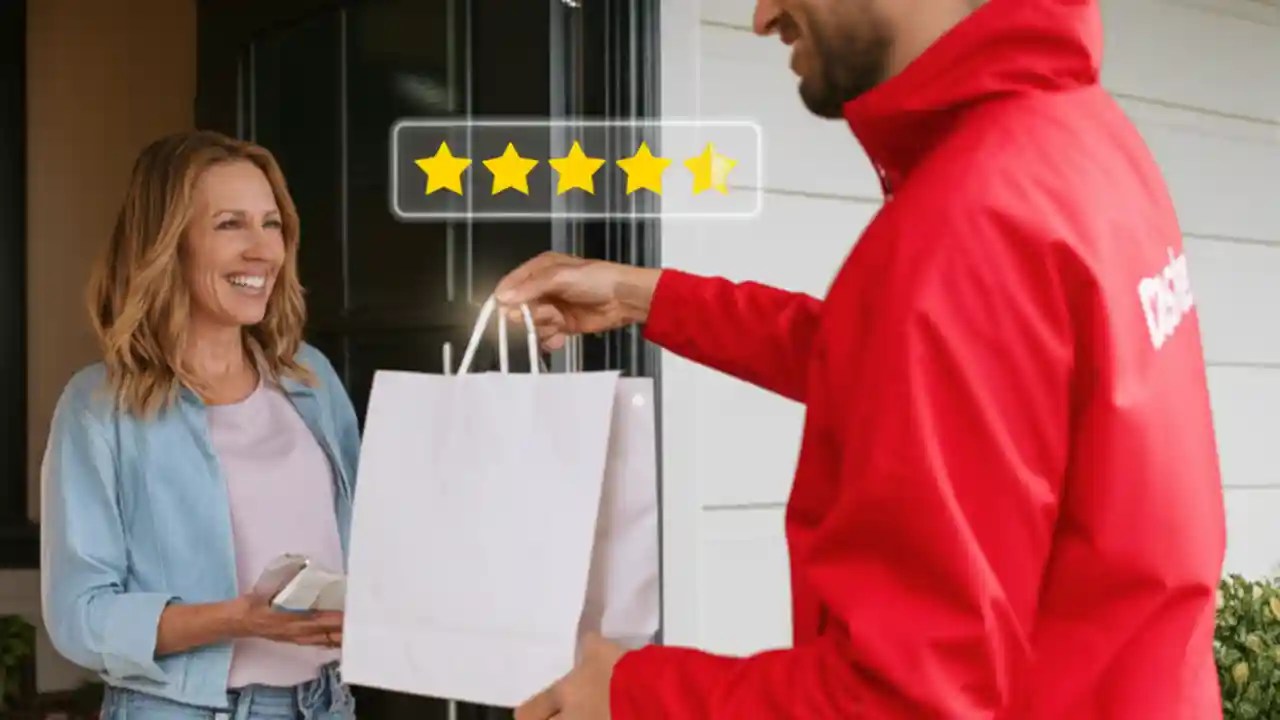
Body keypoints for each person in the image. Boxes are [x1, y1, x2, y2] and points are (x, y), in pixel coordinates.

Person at [501, 0, 1227, 718]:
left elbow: (904, 701)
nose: (763, 17)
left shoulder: (967, 225)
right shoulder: (1078, 135)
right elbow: (911, 359)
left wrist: (630, 695)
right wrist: (642, 296)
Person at [41, 130, 360, 719]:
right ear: (168, 245)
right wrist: (237, 619)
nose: (263, 250)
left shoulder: (310, 379)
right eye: (230, 224)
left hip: (325, 705)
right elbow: (79, 616)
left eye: (271, 224)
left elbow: (366, 540)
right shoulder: (99, 406)